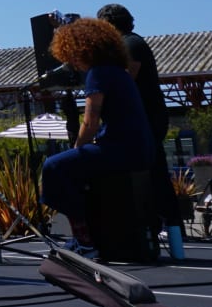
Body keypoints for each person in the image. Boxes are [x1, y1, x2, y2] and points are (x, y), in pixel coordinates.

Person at [40, 17, 153, 259]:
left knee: (53, 167)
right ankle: (90, 235)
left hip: (121, 149)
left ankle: (85, 241)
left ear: (80, 49)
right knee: (73, 171)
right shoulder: (117, 72)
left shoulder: (98, 73)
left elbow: (90, 122)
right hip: (138, 147)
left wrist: (77, 149)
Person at [97, 3, 181, 235]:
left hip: (147, 119)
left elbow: (125, 78)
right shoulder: (128, 44)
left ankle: (170, 227)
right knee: (149, 174)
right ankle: (158, 228)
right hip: (144, 118)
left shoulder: (131, 44)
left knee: (155, 174)